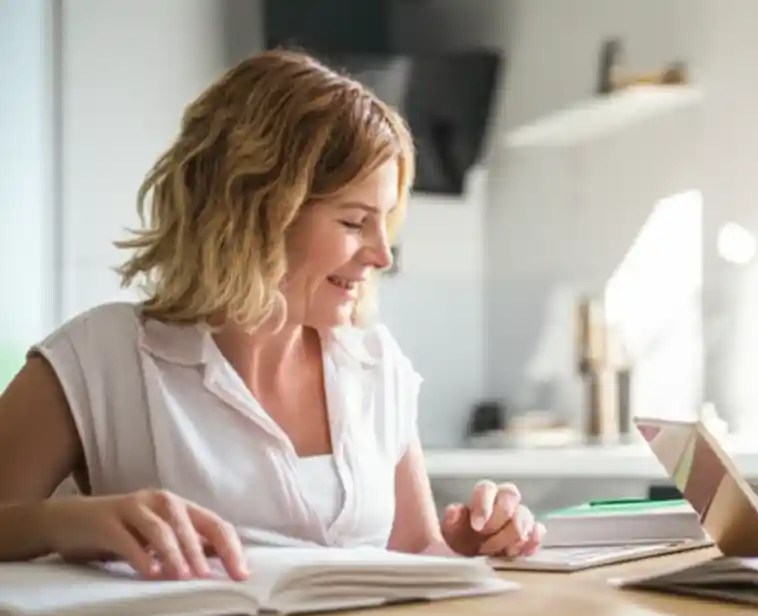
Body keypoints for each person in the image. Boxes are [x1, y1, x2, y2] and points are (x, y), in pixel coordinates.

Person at [0, 49, 544, 582]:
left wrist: (473, 544)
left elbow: (416, 550)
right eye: (355, 222)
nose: (382, 255)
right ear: (259, 211)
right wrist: (63, 522)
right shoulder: (99, 358)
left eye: (385, 224)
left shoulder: (378, 367)